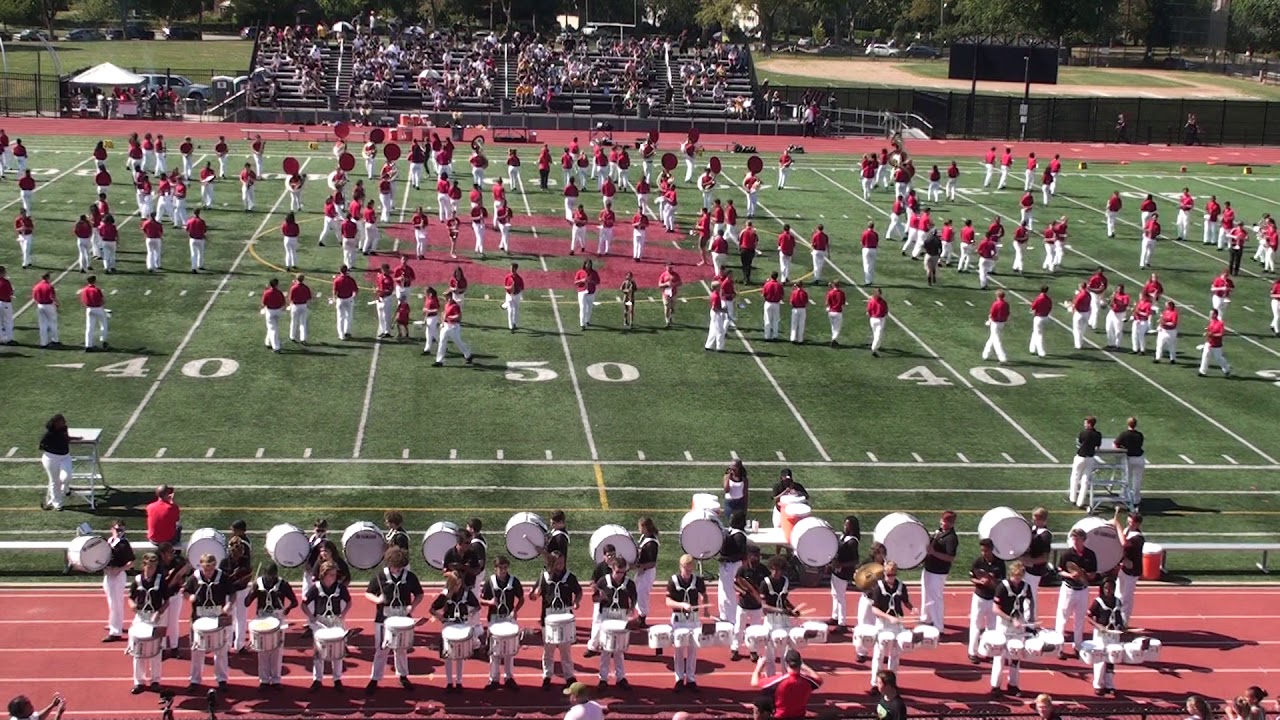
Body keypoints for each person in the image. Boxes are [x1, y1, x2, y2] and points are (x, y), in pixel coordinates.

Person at [365, 546, 423, 694]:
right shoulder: (380, 576)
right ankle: (375, 678)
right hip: (383, 619)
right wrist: (377, 600)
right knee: (381, 649)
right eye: (395, 567)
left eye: (399, 567)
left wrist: (412, 606)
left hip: (403, 617)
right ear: (389, 564)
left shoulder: (409, 577)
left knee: (401, 649)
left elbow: (419, 594)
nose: (397, 570)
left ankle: (403, 675)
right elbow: (368, 594)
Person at [531, 550, 582, 689]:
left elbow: (578, 591)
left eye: (562, 562)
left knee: (565, 649)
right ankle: (547, 676)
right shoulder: (544, 576)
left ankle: (569, 676)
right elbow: (533, 594)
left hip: (565, 616)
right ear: (551, 563)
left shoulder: (569, 577)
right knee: (549, 649)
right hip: (548, 618)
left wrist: (577, 602)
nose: (560, 565)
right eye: (557, 563)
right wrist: (535, 594)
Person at [184, 553, 233, 690]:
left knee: (221, 649)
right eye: (206, 568)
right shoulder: (195, 577)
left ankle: (222, 679)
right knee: (196, 650)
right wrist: (190, 597)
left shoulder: (222, 577)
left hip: (218, 616)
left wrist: (229, 605)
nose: (208, 572)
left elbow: (232, 593)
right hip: (199, 617)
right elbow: (186, 592)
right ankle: (195, 680)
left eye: (211, 568)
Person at [244, 561, 297, 688]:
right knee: (262, 651)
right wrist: (252, 591)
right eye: (268, 576)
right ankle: (264, 680)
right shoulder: (259, 584)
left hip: (277, 618)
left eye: (272, 576)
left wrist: (287, 609)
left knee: (277, 651)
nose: (270, 579)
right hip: (262, 619)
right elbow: (246, 603)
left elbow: (294, 601)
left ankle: (276, 679)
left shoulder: (283, 584)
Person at [302, 560, 351, 691]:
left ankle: (337, 679)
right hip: (320, 621)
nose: (334, 578)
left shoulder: (340, 588)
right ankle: (317, 679)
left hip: (335, 621)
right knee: (318, 652)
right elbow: (304, 604)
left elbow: (349, 601)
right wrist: (311, 617)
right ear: (324, 575)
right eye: (331, 575)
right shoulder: (316, 588)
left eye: (335, 575)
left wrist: (343, 614)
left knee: (337, 652)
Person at [431, 569, 480, 692]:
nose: (458, 586)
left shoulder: (466, 593)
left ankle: (459, 682)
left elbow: (477, 606)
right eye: (455, 584)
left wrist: (470, 613)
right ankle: (449, 682)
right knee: (448, 655)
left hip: (462, 624)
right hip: (448, 624)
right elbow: (432, 609)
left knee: (460, 655)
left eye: (459, 583)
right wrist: (440, 617)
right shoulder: (445, 594)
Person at [481, 556, 525, 690]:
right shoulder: (490, 582)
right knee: (494, 651)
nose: (504, 570)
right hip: (494, 618)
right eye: (501, 568)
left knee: (509, 650)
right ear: (495, 568)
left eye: (505, 567)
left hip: (508, 618)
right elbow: (480, 600)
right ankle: (493, 679)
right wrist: (489, 603)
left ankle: (509, 677)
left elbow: (522, 598)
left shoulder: (513, 581)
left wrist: (515, 610)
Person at [593, 556, 638, 688]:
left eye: (623, 572)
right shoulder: (603, 581)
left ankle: (620, 677)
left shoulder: (629, 583)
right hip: (606, 615)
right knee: (606, 649)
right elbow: (594, 598)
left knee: (619, 649)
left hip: (621, 616)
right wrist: (599, 597)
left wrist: (631, 608)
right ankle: (603, 678)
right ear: (612, 569)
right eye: (618, 572)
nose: (620, 575)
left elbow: (634, 598)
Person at [990, 561, 1033, 696]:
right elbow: (995, 609)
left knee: (1016, 655)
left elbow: (1031, 604)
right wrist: (1010, 619)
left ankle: (1013, 685)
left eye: (1020, 577)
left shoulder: (1026, 587)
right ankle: (995, 686)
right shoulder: (1002, 587)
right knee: (1000, 655)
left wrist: (1030, 620)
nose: (1017, 579)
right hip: (1004, 625)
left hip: (1018, 624)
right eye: (1015, 576)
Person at [869, 561, 913, 692]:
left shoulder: (901, 586)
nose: (891, 577)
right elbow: (874, 609)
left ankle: (892, 682)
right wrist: (888, 617)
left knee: (895, 654)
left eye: (893, 575)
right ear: (884, 574)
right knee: (879, 654)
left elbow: (905, 601)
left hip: (897, 624)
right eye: (888, 574)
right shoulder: (878, 588)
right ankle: (875, 683)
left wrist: (913, 609)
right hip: (883, 624)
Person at [666, 554, 708, 691]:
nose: (687, 573)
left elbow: (704, 594)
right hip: (679, 619)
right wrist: (681, 605)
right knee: (678, 649)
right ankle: (678, 678)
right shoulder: (673, 581)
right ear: (681, 567)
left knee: (692, 649)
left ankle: (691, 678)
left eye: (690, 570)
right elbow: (668, 601)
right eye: (685, 569)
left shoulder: (697, 580)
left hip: (693, 619)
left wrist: (705, 608)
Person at [127, 552, 168, 692]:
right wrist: (132, 605)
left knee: (156, 651)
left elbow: (167, 600)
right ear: (144, 565)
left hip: (156, 617)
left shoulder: (160, 580)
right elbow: (130, 597)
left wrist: (159, 612)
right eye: (149, 566)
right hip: (141, 616)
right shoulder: (137, 580)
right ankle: (139, 681)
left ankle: (155, 680)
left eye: (154, 566)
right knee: (138, 650)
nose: (151, 569)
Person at [1055, 527, 1098, 659]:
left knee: (1079, 619)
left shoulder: (1090, 555)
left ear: (1083, 540)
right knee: (1062, 618)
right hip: (1069, 589)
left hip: (1083, 590)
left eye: (1077, 538)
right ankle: (1059, 647)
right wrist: (1069, 575)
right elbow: (1059, 570)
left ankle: (1078, 646)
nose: (1074, 541)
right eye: (1073, 538)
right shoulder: (1067, 554)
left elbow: (1093, 574)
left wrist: (1086, 575)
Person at [967, 538, 1007, 663]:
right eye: (982, 550)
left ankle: (988, 652)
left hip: (992, 599)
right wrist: (980, 581)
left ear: (991, 549)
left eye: (986, 550)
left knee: (992, 626)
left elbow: (1002, 582)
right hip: (979, 597)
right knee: (976, 625)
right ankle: (972, 652)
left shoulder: (999, 563)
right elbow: (971, 577)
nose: (984, 553)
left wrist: (991, 580)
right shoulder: (978, 562)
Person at [753, 649, 822, 720]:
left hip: (781, 717)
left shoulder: (779, 680)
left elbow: (754, 683)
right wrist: (806, 667)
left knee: (759, 702)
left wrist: (759, 666)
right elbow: (819, 679)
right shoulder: (808, 681)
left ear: (786, 664)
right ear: (800, 663)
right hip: (799, 717)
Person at [1086, 577, 1125, 695]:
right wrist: (1098, 626)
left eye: (1111, 588)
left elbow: (1119, 617)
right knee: (1099, 659)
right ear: (1102, 589)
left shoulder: (1117, 601)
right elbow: (1088, 616)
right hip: (1101, 635)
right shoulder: (1098, 601)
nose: (1108, 590)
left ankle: (1109, 684)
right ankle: (1098, 684)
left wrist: (1121, 626)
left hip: (1113, 635)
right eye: (1106, 588)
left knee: (1111, 658)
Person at [920, 511, 958, 630]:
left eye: (945, 521)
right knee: (926, 595)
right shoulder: (940, 532)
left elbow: (950, 557)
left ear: (951, 523)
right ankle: (926, 618)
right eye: (942, 520)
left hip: (938, 572)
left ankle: (938, 626)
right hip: (929, 568)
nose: (942, 522)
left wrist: (934, 553)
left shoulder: (951, 538)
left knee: (936, 599)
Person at [732, 544, 767, 661]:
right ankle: (735, 649)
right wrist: (742, 591)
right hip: (743, 605)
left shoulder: (763, 570)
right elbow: (735, 584)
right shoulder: (742, 569)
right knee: (738, 628)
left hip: (756, 606)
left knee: (755, 630)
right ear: (748, 556)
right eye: (753, 556)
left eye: (758, 556)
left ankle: (753, 651)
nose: (756, 558)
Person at [38, 415, 79, 512]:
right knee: (54, 481)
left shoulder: (64, 428)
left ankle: (65, 488)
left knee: (67, 477)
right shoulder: (48, 434)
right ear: (55, 423)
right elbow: (41, 446)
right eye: (61, 421)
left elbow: (66, 438)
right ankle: (58, 503)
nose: (64, 423)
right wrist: (54, 448)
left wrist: (76, 438)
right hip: (51, 458)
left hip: (65, 457)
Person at [220, 536, 252, 653]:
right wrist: (233, 576)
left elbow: (248, 575)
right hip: (229, 593)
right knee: (228, 620)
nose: (238, 555)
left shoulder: (244, 561)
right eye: (235, 552)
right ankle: (227, 645)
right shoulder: (224, 562)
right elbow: (222, 579)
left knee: (241, 618)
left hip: (242, 591)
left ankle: (240, 645)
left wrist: (245, 578)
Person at [827, 516, 860, 630]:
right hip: (836, 570)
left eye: (848, 525)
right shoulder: (844, 537)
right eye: (845, 524)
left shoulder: (852, 542)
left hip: (843, 572)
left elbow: (855, 560)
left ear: (853, 527)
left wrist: (841, 565)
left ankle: (842, 623)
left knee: (840, 596)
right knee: (834, 594)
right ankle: (835, 616)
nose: (845, 526)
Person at [1019, 508, 1051, 621]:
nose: (1033, 520)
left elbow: (1045, 558)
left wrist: (1030, 561)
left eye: (1036, 518)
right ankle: (1024, 618)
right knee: (1022, 595)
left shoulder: (1045, 535)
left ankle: (1032, 621)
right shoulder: (1033, 530)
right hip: (1025, 569)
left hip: (1034, 571)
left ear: (1042, 520)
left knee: (1031, 597)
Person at [1117, 511, 1145, 621]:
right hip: (1124, 567)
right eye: (1128, 522)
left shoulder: (1138, 538)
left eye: (1131, 523)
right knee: (1118, 594)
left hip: (1133, 570)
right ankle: (1116, 617)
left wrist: (1117, 526)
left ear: (1137, 524)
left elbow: (1124, 543)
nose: (1129, 524)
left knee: (1126, 597)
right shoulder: (1127, 531)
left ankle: (1124, 621)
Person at [1069, 416, 1102, 509]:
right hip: (1090, 458)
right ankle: (1080, 502)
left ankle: (1073, 498)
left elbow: (1079, 442)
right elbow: (1098, 446)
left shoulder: (1083, 433)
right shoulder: (1097, 434)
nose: (1084, 424)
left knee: (1075, 477)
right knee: (1085, 480)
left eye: (1085, 423)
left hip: (1080, 456)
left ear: (1089, 423)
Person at [434, 292, 473, 366]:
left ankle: (468, 355)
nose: (445, 298)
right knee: (442, 342)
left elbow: (458, 316)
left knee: (458, 342)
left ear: (449, 297)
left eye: (446, 297)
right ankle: (439, 361)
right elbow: (444, 313)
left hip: (453, 326)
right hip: (446, 326)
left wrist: (449, 318)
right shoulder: (447, 304)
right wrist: (442, 323)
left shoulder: (455, 306)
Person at [1114, 417, 1146, 505]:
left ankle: (1123, 496)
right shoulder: (1139, 435)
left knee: (1126, 478)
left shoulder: (1124, 434)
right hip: (1139, 458)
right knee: (1137, 480)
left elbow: (1116, 444)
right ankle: (1136, 499)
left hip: (1128, 458)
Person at [634, 518, 659, 625]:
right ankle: (640, 615)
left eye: (640, 526)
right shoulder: (645, 537)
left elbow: (652, 563)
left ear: (644, 527)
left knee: (642, 594)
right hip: (642, 571)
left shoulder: (651, 544)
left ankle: (642, 618)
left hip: (647, 572)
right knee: (636, 592)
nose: (638, 528)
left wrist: (636, 566)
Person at [1200, 309, 1232, 377]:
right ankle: (1202, 371)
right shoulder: (1211, 322)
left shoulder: (1220, 323)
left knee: (1219, 358)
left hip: (1217, 345)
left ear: (1215, 314)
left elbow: (1221, 334)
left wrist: (1212, 335)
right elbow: (1209, 330)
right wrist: (1206, 333)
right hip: (1209, 343)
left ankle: (1227, 369)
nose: (1210, 315)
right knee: (1205, 355)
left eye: (1211, 314)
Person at [30, 272, 58, 347]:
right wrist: (56, 303)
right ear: (48, 277)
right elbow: (52, 296)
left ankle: (43, 342)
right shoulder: (49, 286)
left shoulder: (36, 286)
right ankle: (54, 340)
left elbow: (34, 297)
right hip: (49, 305)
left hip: (40, 305)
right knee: (53, 323)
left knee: (42, 324)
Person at [261, 277, 286, 353]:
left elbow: (264, 303)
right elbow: (283, 302)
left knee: (272, 329)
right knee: (273, 327)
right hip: (278, 311)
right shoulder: (279, 292)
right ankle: (267, 342)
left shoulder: (267, 292)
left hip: (270, 311)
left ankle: (276, 347)